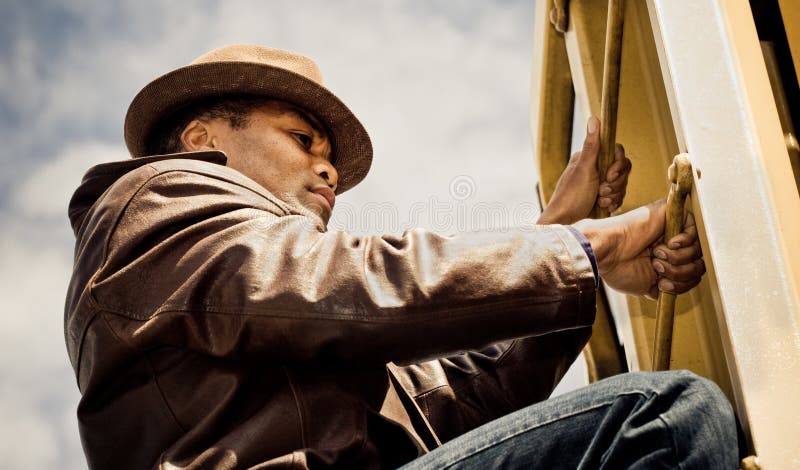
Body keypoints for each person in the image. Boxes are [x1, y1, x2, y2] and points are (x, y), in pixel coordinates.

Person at [65, 44, 737, 469]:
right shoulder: (160, 201)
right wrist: (591, 243)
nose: (328, 171)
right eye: (303, 139)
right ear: (201, 140)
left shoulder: (290, 321)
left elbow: (460, 404)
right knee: (662, 420)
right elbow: (354, 283)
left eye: (330, 157)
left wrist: (565, 235)